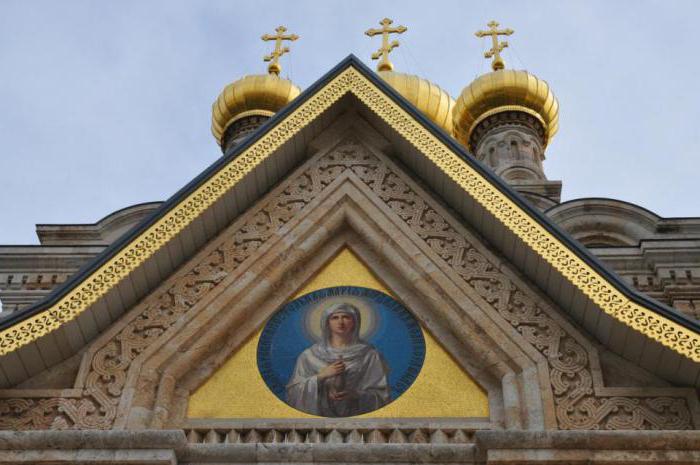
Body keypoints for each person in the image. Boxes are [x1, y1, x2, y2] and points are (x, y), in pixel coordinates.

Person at [286, 302, 390, 416]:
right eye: (335, 318)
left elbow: (382, 396)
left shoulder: (369, 355)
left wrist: (356, 394)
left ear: (355, 322)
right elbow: (293, 393)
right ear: (327, 323)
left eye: (346, 317)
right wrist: (321, 376)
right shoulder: (309, 356)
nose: (340, 322)